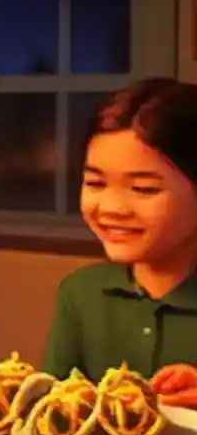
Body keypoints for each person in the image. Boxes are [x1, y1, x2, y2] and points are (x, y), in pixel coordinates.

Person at [42, 77, 197, 381]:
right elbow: (52, 413)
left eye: (143, 189)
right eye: (96, 183)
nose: (112, 208)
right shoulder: (81, 294)